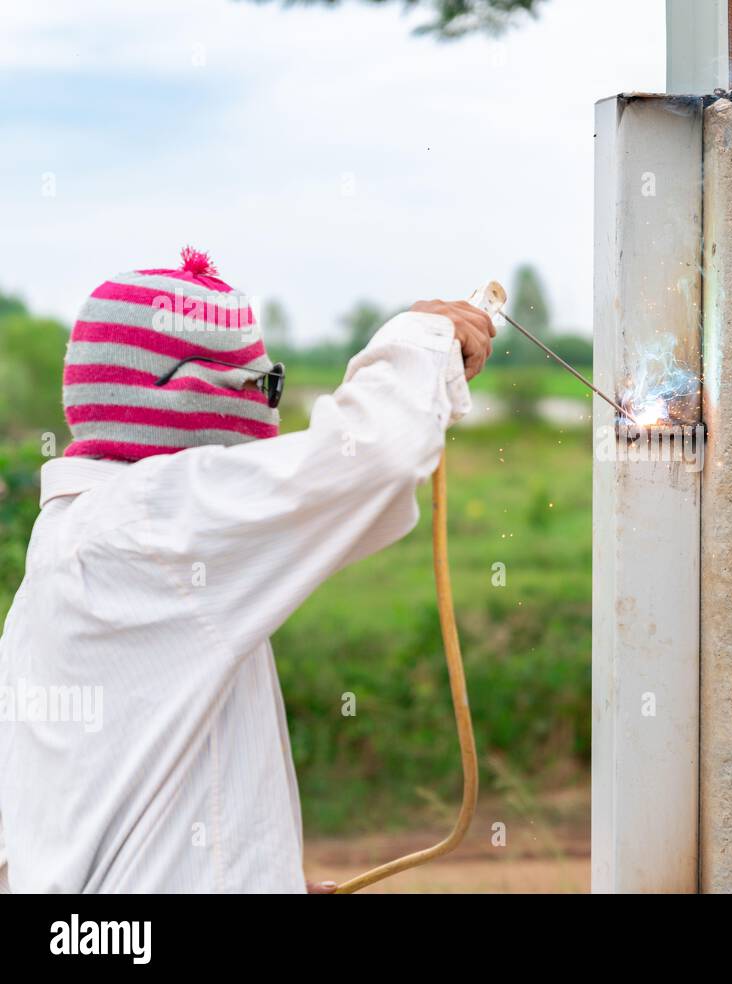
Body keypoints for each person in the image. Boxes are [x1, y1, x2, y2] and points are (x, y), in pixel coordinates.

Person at [0, 249, 495, 892]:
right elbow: (374, 456)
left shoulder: (78, 541)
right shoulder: (154, 528)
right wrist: (424, 335)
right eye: (265, 386)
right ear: (196, 393)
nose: (271, 412)